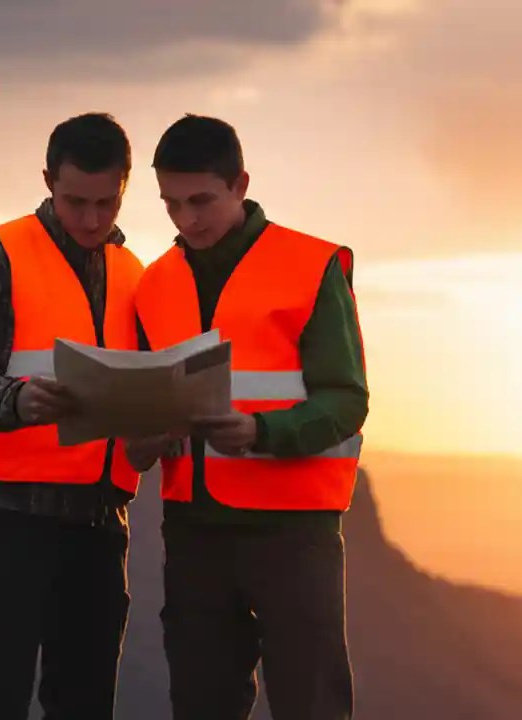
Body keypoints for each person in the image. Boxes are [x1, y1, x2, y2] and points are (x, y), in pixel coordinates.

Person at [128, 114, 369, 720]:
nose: (187, 220)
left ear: (240, 184)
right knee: (201, 705)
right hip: (193, 532)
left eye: (201, 200)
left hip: (293, 532)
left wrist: (262, 433)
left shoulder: (311, 267)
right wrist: (146, 436)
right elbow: (140, 403)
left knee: (309, 704)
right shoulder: (153, 286)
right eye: (171, 204)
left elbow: (346, 400)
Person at [0, 112, 145, 720]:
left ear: (125, 187)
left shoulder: (135, 274)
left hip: (99, 524)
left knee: (85, 705)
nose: (90, 219)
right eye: (75, 200)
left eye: (106, 203)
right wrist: (18, 400)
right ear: (47, 181)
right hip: (7, 522)